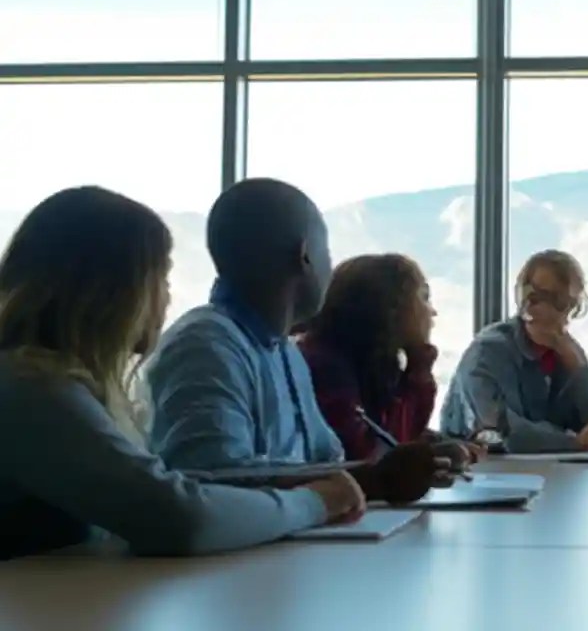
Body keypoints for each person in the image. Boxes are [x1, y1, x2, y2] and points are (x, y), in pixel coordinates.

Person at [0, 187, 362, 559]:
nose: (167, 297)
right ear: (112, 290)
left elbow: (169, 487)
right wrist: (314, 502)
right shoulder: (33, 391)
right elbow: (179, 517)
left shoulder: (46, 384)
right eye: (161, 279)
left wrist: (291, 484)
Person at [144, 178, 460, 505]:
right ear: (306, 255)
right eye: (328, 252)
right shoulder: (205, 346)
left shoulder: (283, 353)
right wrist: (371, 481)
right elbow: (211, 484)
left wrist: (391, 473)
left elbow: (328, 460)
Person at [441, 249, 588, 452]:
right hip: (481, 474)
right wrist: (575, 442)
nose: (558, 314)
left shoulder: (566, 354)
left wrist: (581, 373)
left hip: (552, 474)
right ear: (523, 299)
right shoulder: (488, 352)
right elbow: (500, 435)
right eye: (540, 297)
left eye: (568, 304)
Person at [297, 254, 445, 461]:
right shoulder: (326, 369)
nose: (433, 312)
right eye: (424, 297)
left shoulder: (370, 363)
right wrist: (420, 366)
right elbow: (377, 458)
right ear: (393, 305)